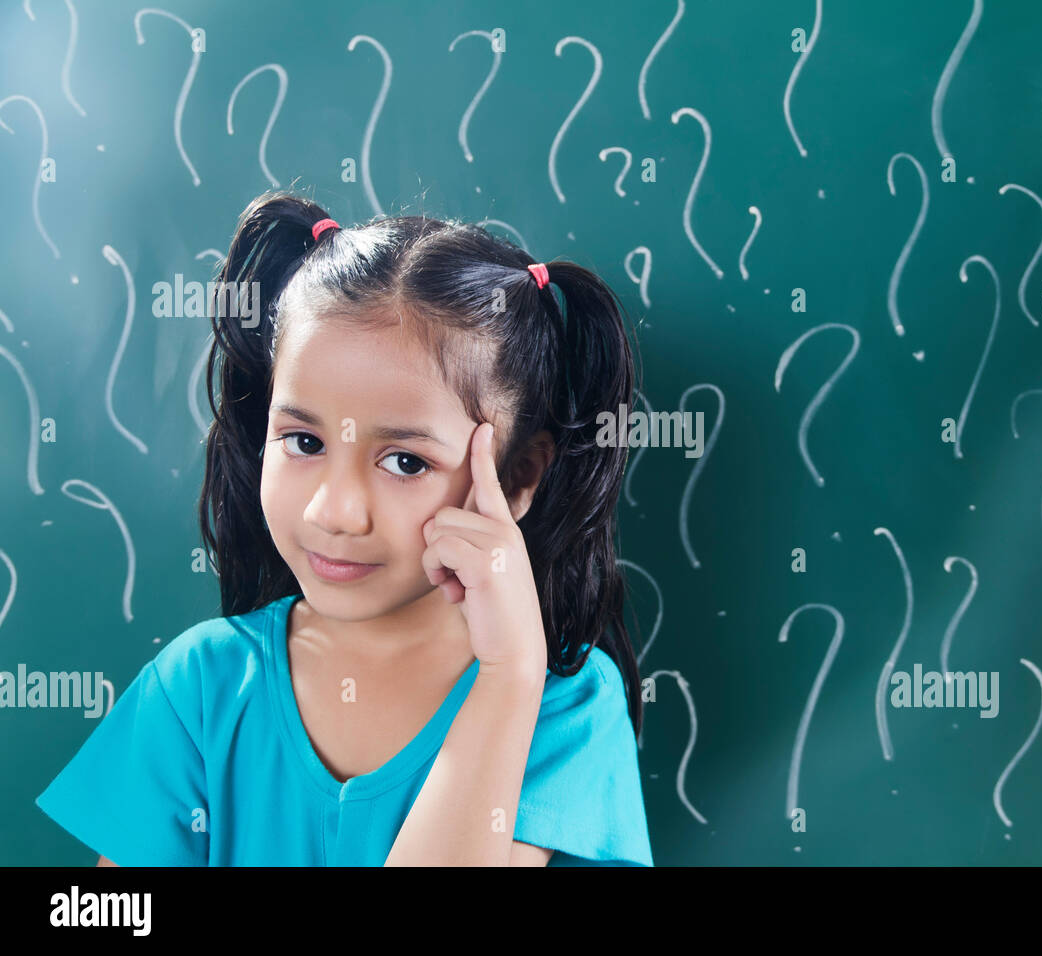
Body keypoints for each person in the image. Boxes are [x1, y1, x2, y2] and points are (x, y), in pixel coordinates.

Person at [34, 191, 653, 866]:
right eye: (303, 441)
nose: (334, 512)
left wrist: (508, 674)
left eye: (405, 461)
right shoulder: (198, 689)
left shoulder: (560, 702)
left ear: (515, 479)